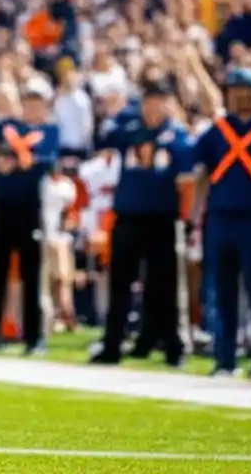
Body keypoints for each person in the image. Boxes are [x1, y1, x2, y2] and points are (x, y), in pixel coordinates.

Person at [91, 80, 194, 368]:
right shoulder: (129, 129)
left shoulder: (175, 135)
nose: (152, 109)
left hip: (161, 216)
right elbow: (103, 138)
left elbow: (186, 172)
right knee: (120, 282)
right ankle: (113, 343)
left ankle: (172, 345)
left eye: (158, 102)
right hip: (129, 214)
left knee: (164, 285)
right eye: (148, 102)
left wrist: (186, 217)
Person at [191, 68, 251, 380]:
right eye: (235, 89)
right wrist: (193, 216)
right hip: (220, 217)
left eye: (246, 89)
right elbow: (200, 170)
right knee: (223, 293)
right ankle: (225, 359)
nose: (239, 95)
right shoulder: (217, 131)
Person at [0, 77, 60, 354]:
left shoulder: (50, 131)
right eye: (28, 102)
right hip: (1, 206)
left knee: (31, 274)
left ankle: (34, 337)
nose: (31, 108)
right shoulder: (7, 127)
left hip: (29, 208)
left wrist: (15, 162)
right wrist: (11, 162)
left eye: (37, 103)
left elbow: (46, 162)